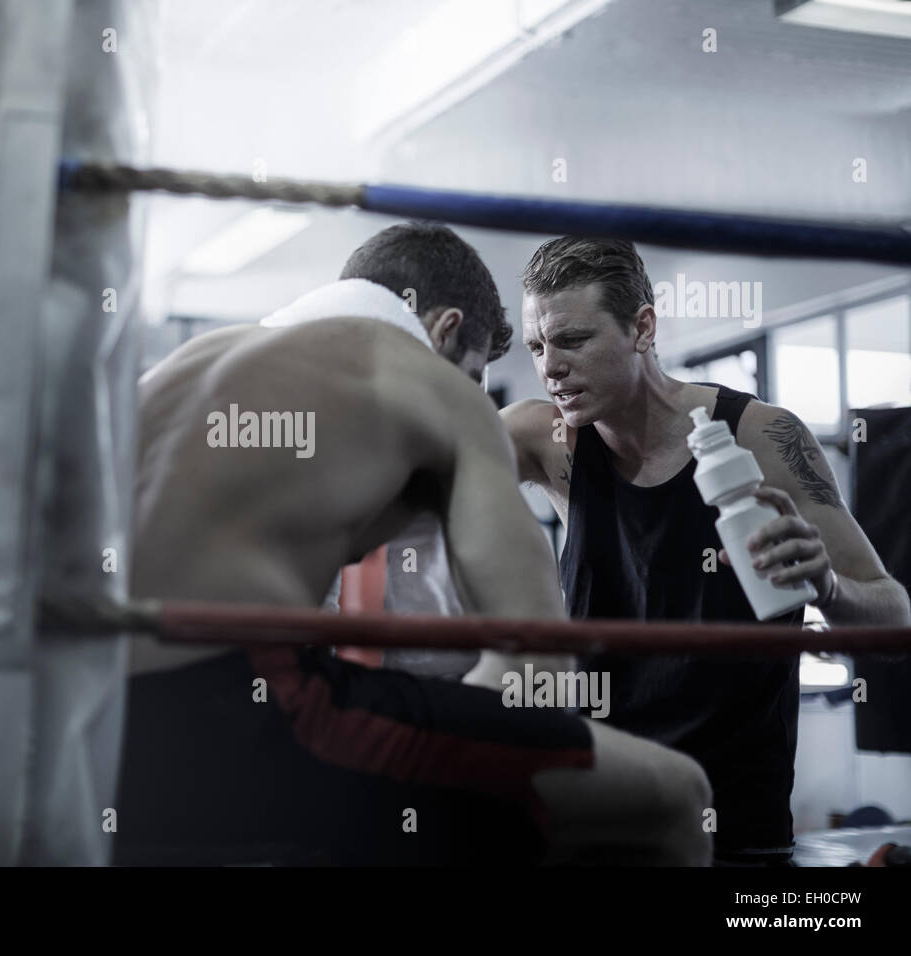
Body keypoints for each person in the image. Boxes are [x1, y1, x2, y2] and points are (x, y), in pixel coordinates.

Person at [115, 222, 712, 865]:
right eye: (478, 373)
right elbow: (539, 660)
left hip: (96, 726)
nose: (477, 393)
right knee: (675, 796)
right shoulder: (434, 388)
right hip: (244, 709)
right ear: (446, 331)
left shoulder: (184, 368)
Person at [502, 236, 911, 865]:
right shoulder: (549, 440)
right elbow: (421, 457)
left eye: (573, 340)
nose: (550, 366)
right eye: (536, 346)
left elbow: (895, 618)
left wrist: (828, 587)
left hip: (735, 838)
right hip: (597, 826)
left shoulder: (763, 437)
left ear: (642, 328)